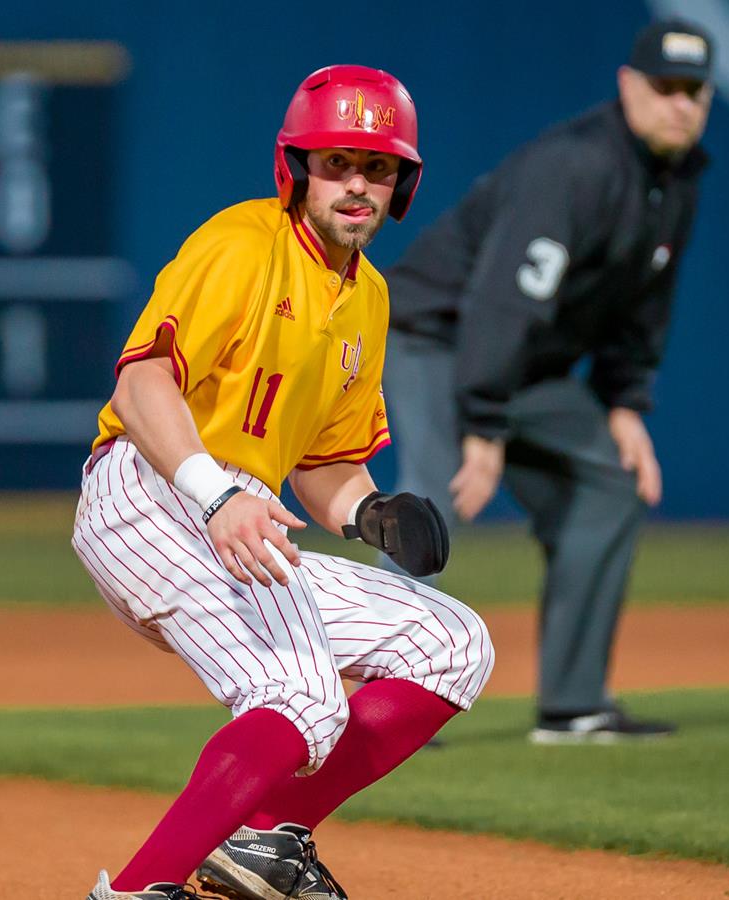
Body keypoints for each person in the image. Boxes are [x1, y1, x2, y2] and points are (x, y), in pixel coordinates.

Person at [74, 65, 494, 900]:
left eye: (377, 168)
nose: (356, 184)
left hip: (243, 512)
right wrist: (215, 493)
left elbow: (323, 466)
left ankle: (264, 840)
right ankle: (135, 893)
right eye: (337, 162)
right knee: (302, 698)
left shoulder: (367, 297)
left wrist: (372, 513)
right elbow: (142, 384)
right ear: (298, 167)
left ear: (401, 185)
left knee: (452, 647)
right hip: (151, 489)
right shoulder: (242, 244)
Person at [381, 19, 713, 744]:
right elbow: (505, 299)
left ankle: (574, 705)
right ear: (629, 87)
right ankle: (384, 702)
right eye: (666, 88)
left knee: (611, 482)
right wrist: (485, 426)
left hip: (520, 363)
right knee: (432, 498)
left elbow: (643, 307)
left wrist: (625, 405)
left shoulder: (676, 180)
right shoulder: (577, 166)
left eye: (694, 91)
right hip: (437, 336)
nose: (680, 104)